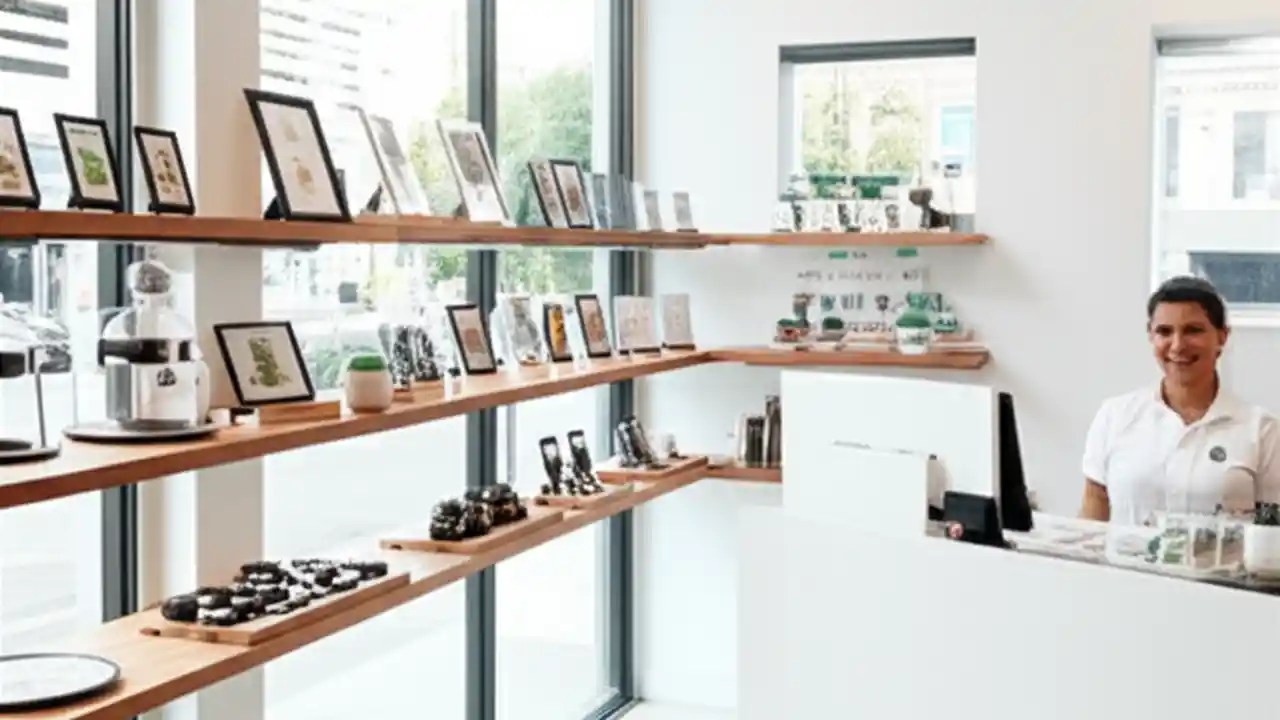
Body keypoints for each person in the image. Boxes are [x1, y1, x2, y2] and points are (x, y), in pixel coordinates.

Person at [1080, 276, 1280, 524]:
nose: (1177, 345)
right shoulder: (1115, 416)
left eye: (1193, 330)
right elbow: (1092, 517)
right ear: (1150, 336)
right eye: (1164, 331)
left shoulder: (1262, 430)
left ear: (1222, 337)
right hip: (1124, 552)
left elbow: (1273, 531)